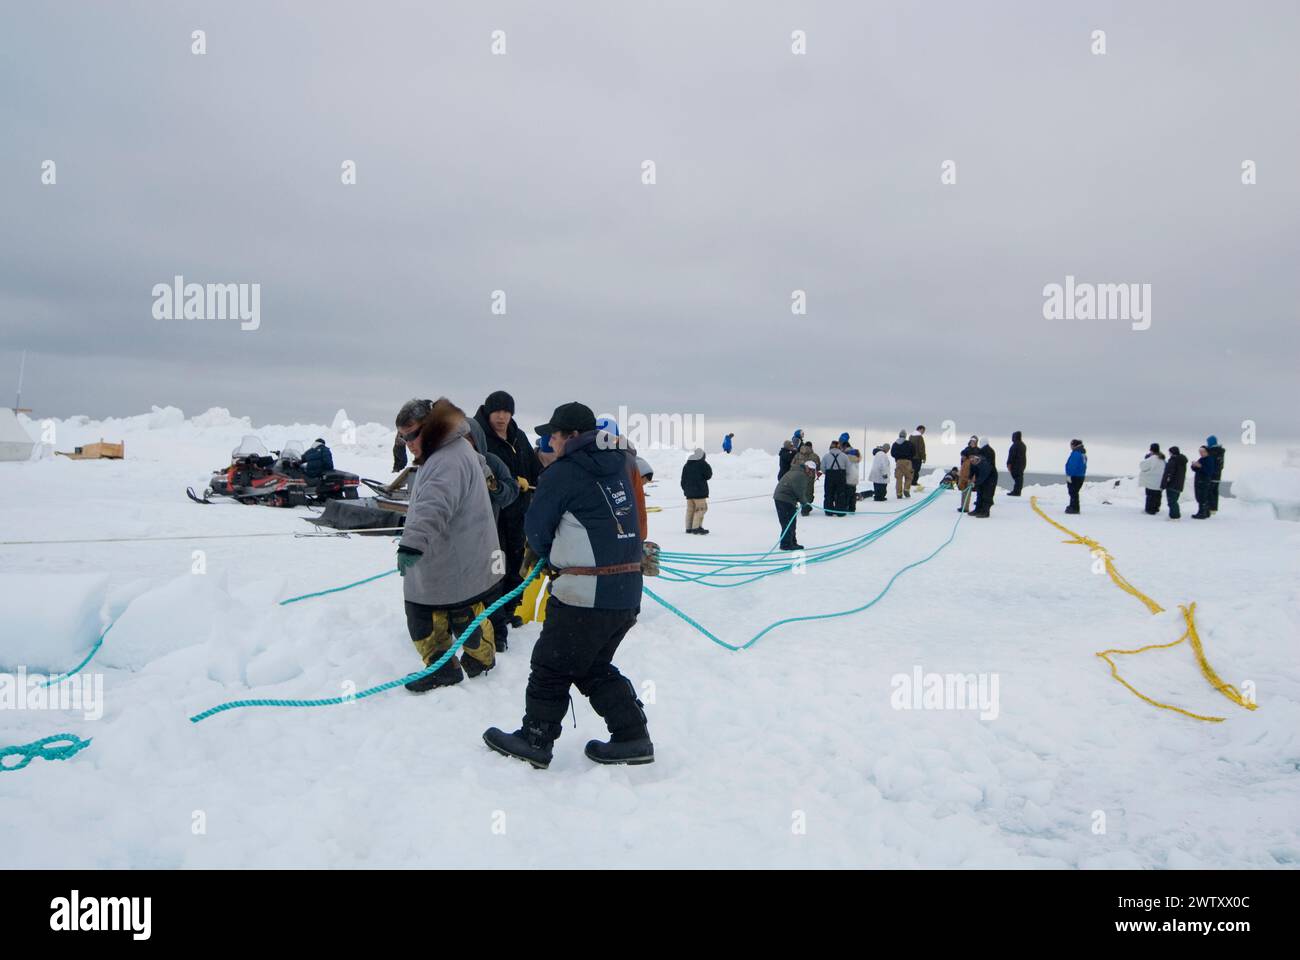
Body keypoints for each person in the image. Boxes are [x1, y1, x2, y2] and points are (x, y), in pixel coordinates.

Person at [483, 401, 653, 769]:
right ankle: (632, 736)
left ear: (572, 436)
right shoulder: (622, 464)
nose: (550, 442)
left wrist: (546, 556)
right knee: (590, 665)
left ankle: (535, 739)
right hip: (626, 589)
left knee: (551, 665)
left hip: (585, 593)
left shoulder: (563, 473)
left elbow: (537, 527)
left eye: (554, 435)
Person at [393, 398, 501, 691]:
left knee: (424, 616)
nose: (409, 444)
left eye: (413, 435)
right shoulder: (456, 448)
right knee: (461, 611)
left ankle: (443, 668)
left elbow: (433, 504)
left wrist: (411, 544)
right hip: (462, 555)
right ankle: (481, 659)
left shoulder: (445, 460)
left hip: (447, 557)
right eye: (404, 438)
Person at [473, 390, 542, 647]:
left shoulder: (518, 436)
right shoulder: (480, 437)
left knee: (516, 562)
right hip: (493, 515)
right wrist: (511, 482)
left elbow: (535, 470)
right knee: (495, 565)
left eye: (506, 411)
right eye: (497, 411)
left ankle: (510, 609)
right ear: (488, 411)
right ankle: (493, 618)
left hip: (519, 514)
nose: (501, 417)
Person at [774, 459, 817, 550]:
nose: (811, 472)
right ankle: (786, 544)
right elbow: (800, 492)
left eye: (813, 470)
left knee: (790, 522)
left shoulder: (798, 471)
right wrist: (806, 504)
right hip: (784, 499)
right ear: (806, 468)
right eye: (810, 469)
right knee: (788, 522)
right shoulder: (801, 475)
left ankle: (792, 542)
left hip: (784, 498)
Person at [681, 447, 712, 534]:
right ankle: (696, 527)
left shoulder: (687, 465)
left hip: (689, 493)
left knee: (690, 510)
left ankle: (689, 528)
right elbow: (709, 475)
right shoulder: (702, 463)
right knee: (701, 509)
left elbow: (683, 480)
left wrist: (686, 490)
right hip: (699, 492)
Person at [821, 440, 848, 516]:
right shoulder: (844, 456)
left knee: (828, 493)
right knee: (841, 493)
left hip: (830, 475)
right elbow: (848, 467)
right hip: (841, 475)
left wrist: (827, 473)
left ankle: (828, 511)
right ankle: (840, 511)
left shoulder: (826, 456)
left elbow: (822, 467)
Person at [792, 441, 820, 515]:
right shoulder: (815, 456)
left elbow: (792, 465)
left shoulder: (797, 455)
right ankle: (805, 508)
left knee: (800, 491)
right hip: (810, 477)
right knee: (809, 493)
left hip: (799, 476)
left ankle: (799, 505)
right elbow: (818, 467)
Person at [1191, 444, 1218, 519]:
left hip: (1204, 481)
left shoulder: (1209, 459)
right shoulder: (1201, 459)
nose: (1201, 453)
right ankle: (1206, 512)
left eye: (1202, 452)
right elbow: (1196, 469)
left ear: (1207, 452)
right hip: (1200, 480)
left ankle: (1202, 513)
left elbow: (1209, 471)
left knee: (1202, 497)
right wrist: (1194, 465)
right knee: (1200, 497)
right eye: (1200, 452)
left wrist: (1200, 466)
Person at [1138, 443, 1166, 515]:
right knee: (1157, 496)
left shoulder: (1152, 458)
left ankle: (1150, 510)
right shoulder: (1162, 459)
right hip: (1160, 481)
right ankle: (1156, 508)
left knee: (1150, 496)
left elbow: (1143, 466)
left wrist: (1147, 458)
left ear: (1151, 450)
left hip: (1151, 481)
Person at [1162, 445, 1187, 520]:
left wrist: (1164, 483)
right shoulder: (1182, 461)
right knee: (1174, 500)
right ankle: (1174, 515)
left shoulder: (1173, 461)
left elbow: (1169, 473)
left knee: (1171, 501)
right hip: (1179, 484)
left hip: (1172, 484)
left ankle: (1174, 516)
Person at [890, 430, 915, 499]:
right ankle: (906, 489)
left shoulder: (895, 444)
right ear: (905, 436)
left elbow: (892, 453)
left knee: (899, 478)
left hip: (899, 462)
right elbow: (914, 452)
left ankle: (899, 493)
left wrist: (897, 457)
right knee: (909, 476)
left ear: (899, 435)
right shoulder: (909, 443)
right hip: (908, 462)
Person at [1065, 439, 1087, 514]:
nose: (1070, 447)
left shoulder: (1076, 453)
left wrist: (1069, 475)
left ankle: (1074, 508)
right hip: (1080, 476)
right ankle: (1073, 506)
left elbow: (1072, 465)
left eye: (1071, 445)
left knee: (1073, 492)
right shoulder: (1082, 453)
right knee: (1074, 492)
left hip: (1074, 476)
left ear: (1074, 445)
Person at [970, 452, 995, 517]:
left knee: (986, 496)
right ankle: (978, 510)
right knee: (979, 494)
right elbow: (972, 472)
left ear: (977, 459)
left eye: (973, 461)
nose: (972, 462)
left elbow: (983, 476)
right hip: (981, 481)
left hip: (989, 481)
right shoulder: (974, 464)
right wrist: (970, 480)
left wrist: (975, 483)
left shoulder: (985, 464)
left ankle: (985, 512)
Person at [1206, 435, 1226, 513]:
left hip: (1211, 475)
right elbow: (1221, 465)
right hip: (1218, 475)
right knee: (1214, 491)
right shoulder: (1220, 452)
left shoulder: (1212, 452)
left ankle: (1209, 508)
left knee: (1209, 491)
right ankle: (1213, 508)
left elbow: (1210, 464)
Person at [1006, 431, 1027, 496]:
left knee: (1018, 478)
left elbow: (1011, 456)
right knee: (1019, 478)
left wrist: (1009, 464)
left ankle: (1016, 492)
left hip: (1016, 465)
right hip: (1022, 465)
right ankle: (1017, 491)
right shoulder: (1023, 445)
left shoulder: (1015, 446)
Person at [908, 425, 926, 491]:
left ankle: (910, 481)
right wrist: (923, 457)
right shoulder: (919, 437)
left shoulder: (910, 436)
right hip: (917, 457)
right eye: (923, 430)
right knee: (916, 470)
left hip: (911, 457)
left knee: (911, 469)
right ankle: (914, 482)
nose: (923, 432)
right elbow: (921, 448)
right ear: (920, 429)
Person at [843, 447, 861, 513]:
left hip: (848, 480)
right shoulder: (857, 459)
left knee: (847, 495)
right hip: (854, 480)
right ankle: (852, 508)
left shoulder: (848, 459)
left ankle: (845, 507)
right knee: (853, 495)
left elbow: (846, 470)